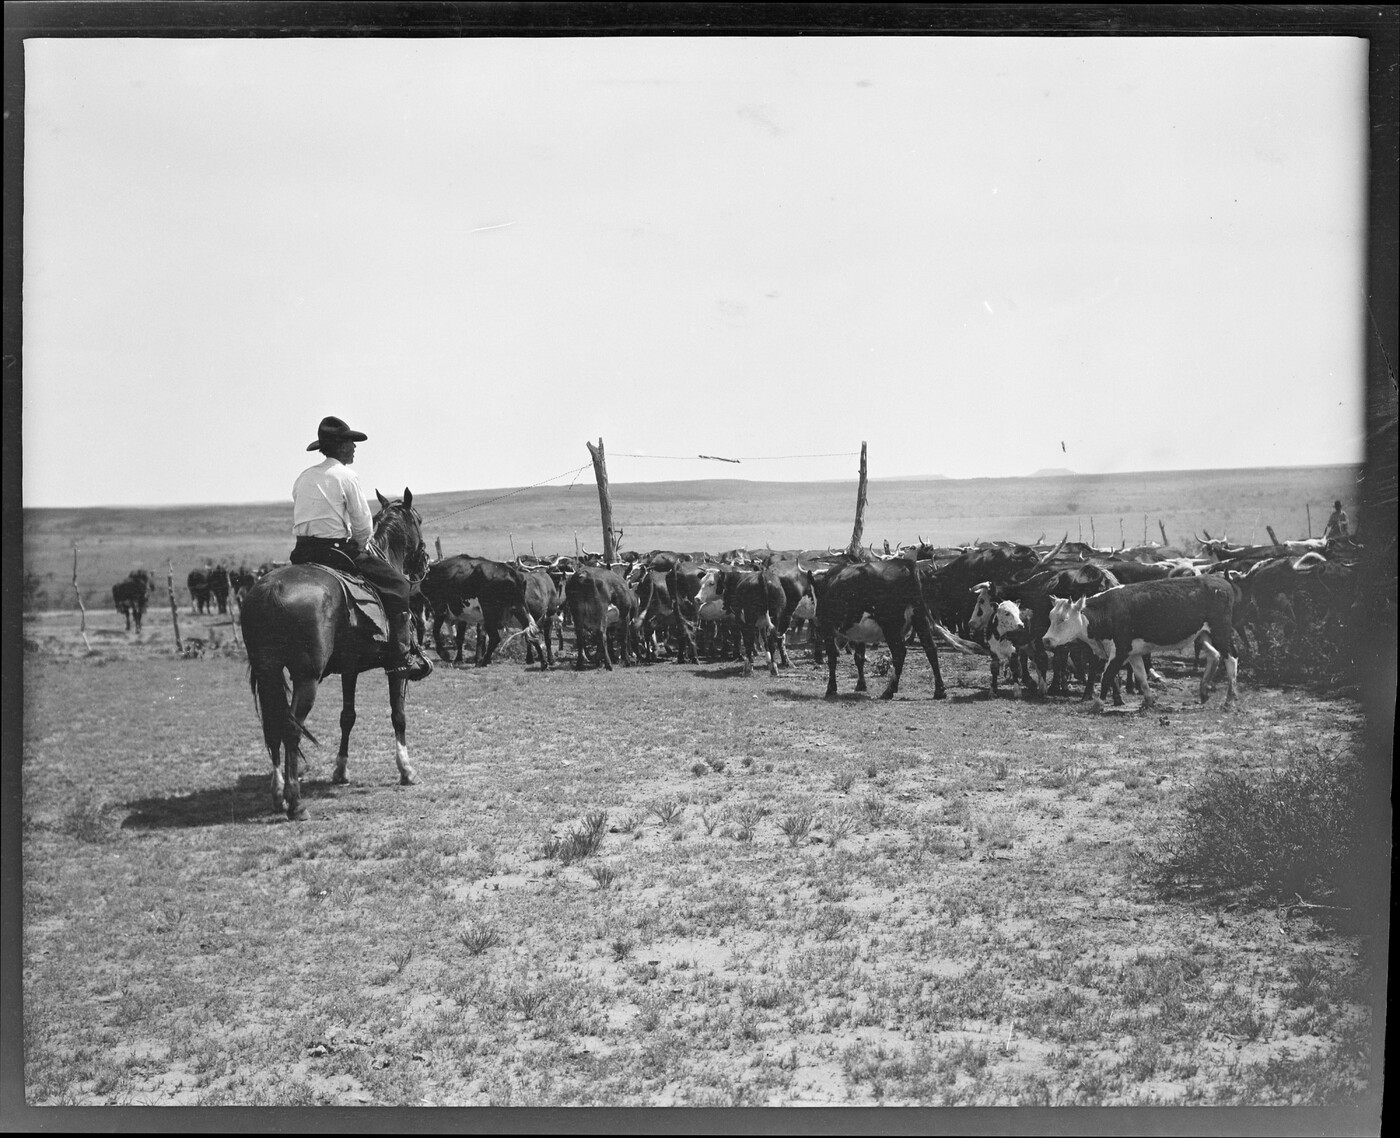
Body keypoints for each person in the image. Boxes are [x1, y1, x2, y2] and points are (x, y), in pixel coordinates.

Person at [290, 416, 432, 680]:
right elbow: (364, 528)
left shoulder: (303, 477)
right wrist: (360, 545)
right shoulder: (346, 477)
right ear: (340, 446)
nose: (354, 447)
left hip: (301, 553)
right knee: (399, 585)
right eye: (350, 443)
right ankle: (403, 657)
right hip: (337, 551)